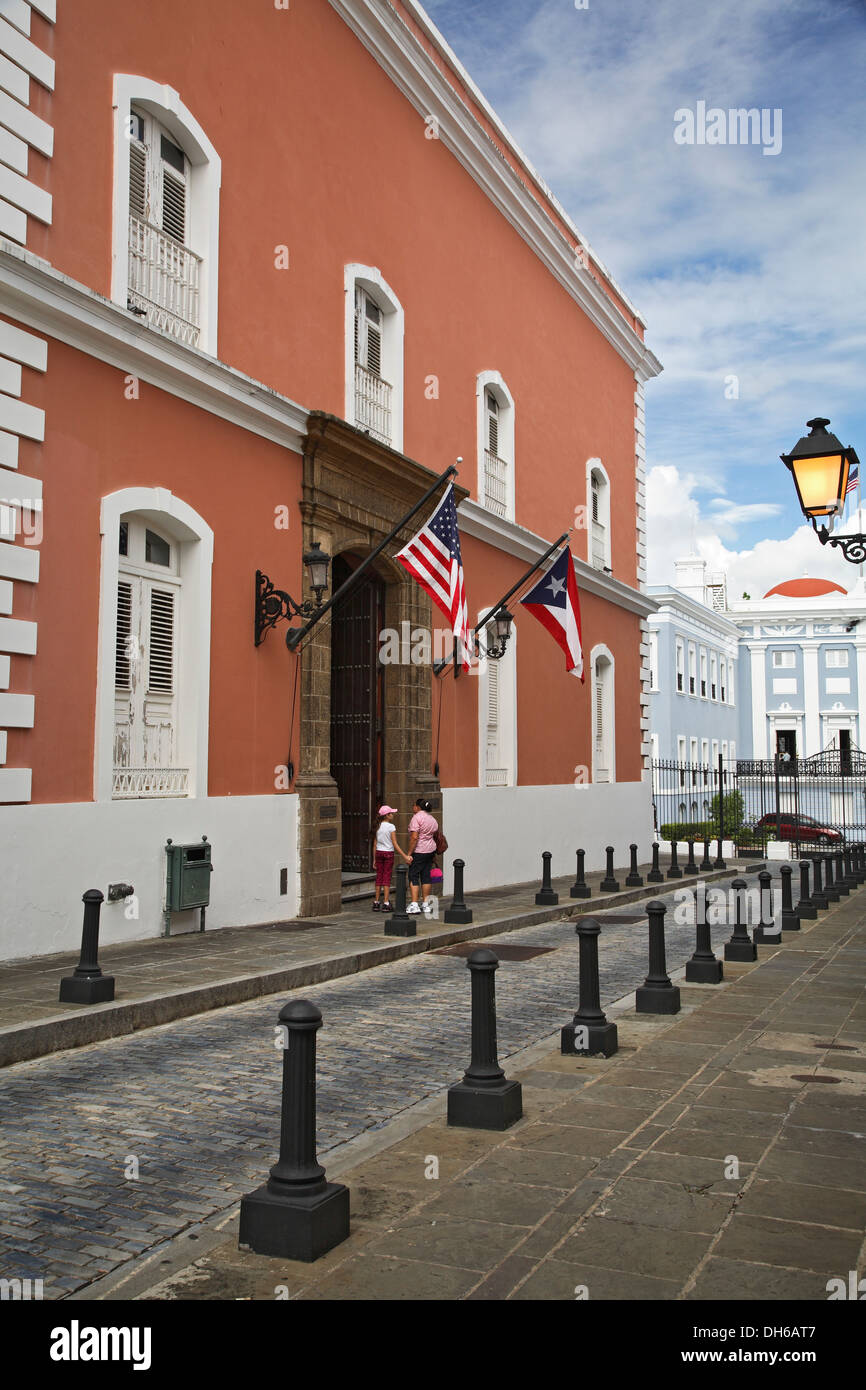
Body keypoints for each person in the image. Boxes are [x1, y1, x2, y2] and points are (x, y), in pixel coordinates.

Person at [370, 804, 409, 912]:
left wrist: (374, 859)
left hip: (379, 853)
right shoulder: (391, 827)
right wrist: (404, 855)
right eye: (391, 813)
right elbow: (395, 843)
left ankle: (376, 902)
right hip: (388, 853)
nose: (393, 815)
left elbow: (375, 844)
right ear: (386, 815)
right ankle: (386, 902)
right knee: (386, 878)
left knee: (379, 878)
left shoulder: (377, 826)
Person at [406, 796, 439, 916]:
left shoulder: (417, 818)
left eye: (414, 805)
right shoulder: (432, 819)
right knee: (426, 876)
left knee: (413, 875)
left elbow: (414, 837)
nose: (413, 807)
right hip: (430, 850)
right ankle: (426, 904)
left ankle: (414, 904)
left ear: (418, 807)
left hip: (419, 851)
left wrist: (409, 853)